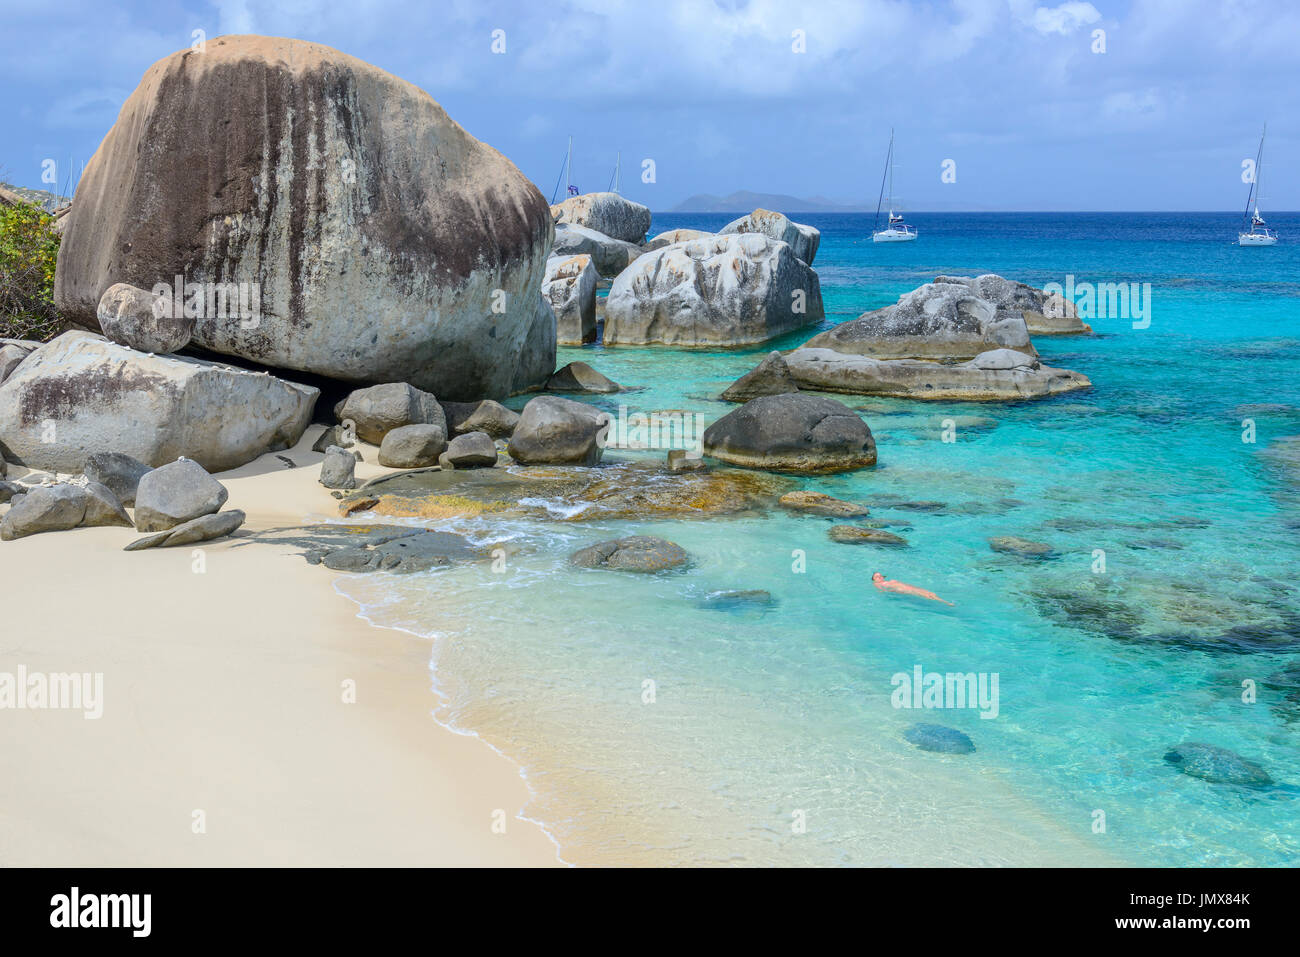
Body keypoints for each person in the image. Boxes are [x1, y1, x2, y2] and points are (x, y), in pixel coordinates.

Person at [872, 572, 954, 606]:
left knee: (929, 593)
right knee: (927, 596)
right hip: (905, 590)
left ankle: (945, 601)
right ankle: (946, 603)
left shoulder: (890, 580)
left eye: (880, 575)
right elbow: (882, 592)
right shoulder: (877, 584)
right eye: (876, 576)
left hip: (911, 587)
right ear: (874, 579)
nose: (879, 577)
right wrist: (895, 591)